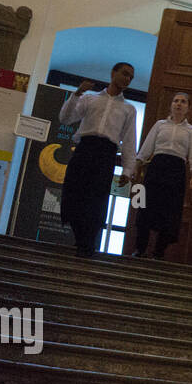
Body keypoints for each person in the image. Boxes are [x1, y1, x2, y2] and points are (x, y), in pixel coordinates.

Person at [59, 62, 138, 258]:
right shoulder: (89, 99)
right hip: (85, 148)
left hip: (106, 154)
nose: (127, 79)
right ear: (113, 73)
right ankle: (81, 240)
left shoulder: (129, 109)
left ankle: (87, 244)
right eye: (124, 74)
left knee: (97, 199)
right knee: (74, 193)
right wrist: (76, 93)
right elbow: (65, 119)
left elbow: (129, 140)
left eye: (131, 77)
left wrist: (128, 170)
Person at [132, 91, 192, 260]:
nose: (179, 104)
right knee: (145, 206)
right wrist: (137, 165)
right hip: (157, 167)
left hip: (176, 170)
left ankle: (158, 252)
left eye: (183, 102)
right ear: (171, 105)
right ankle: (140, 249)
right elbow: (147, 146)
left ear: (188, 108)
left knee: (170, 210)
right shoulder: (160, 125)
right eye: (176, 101)